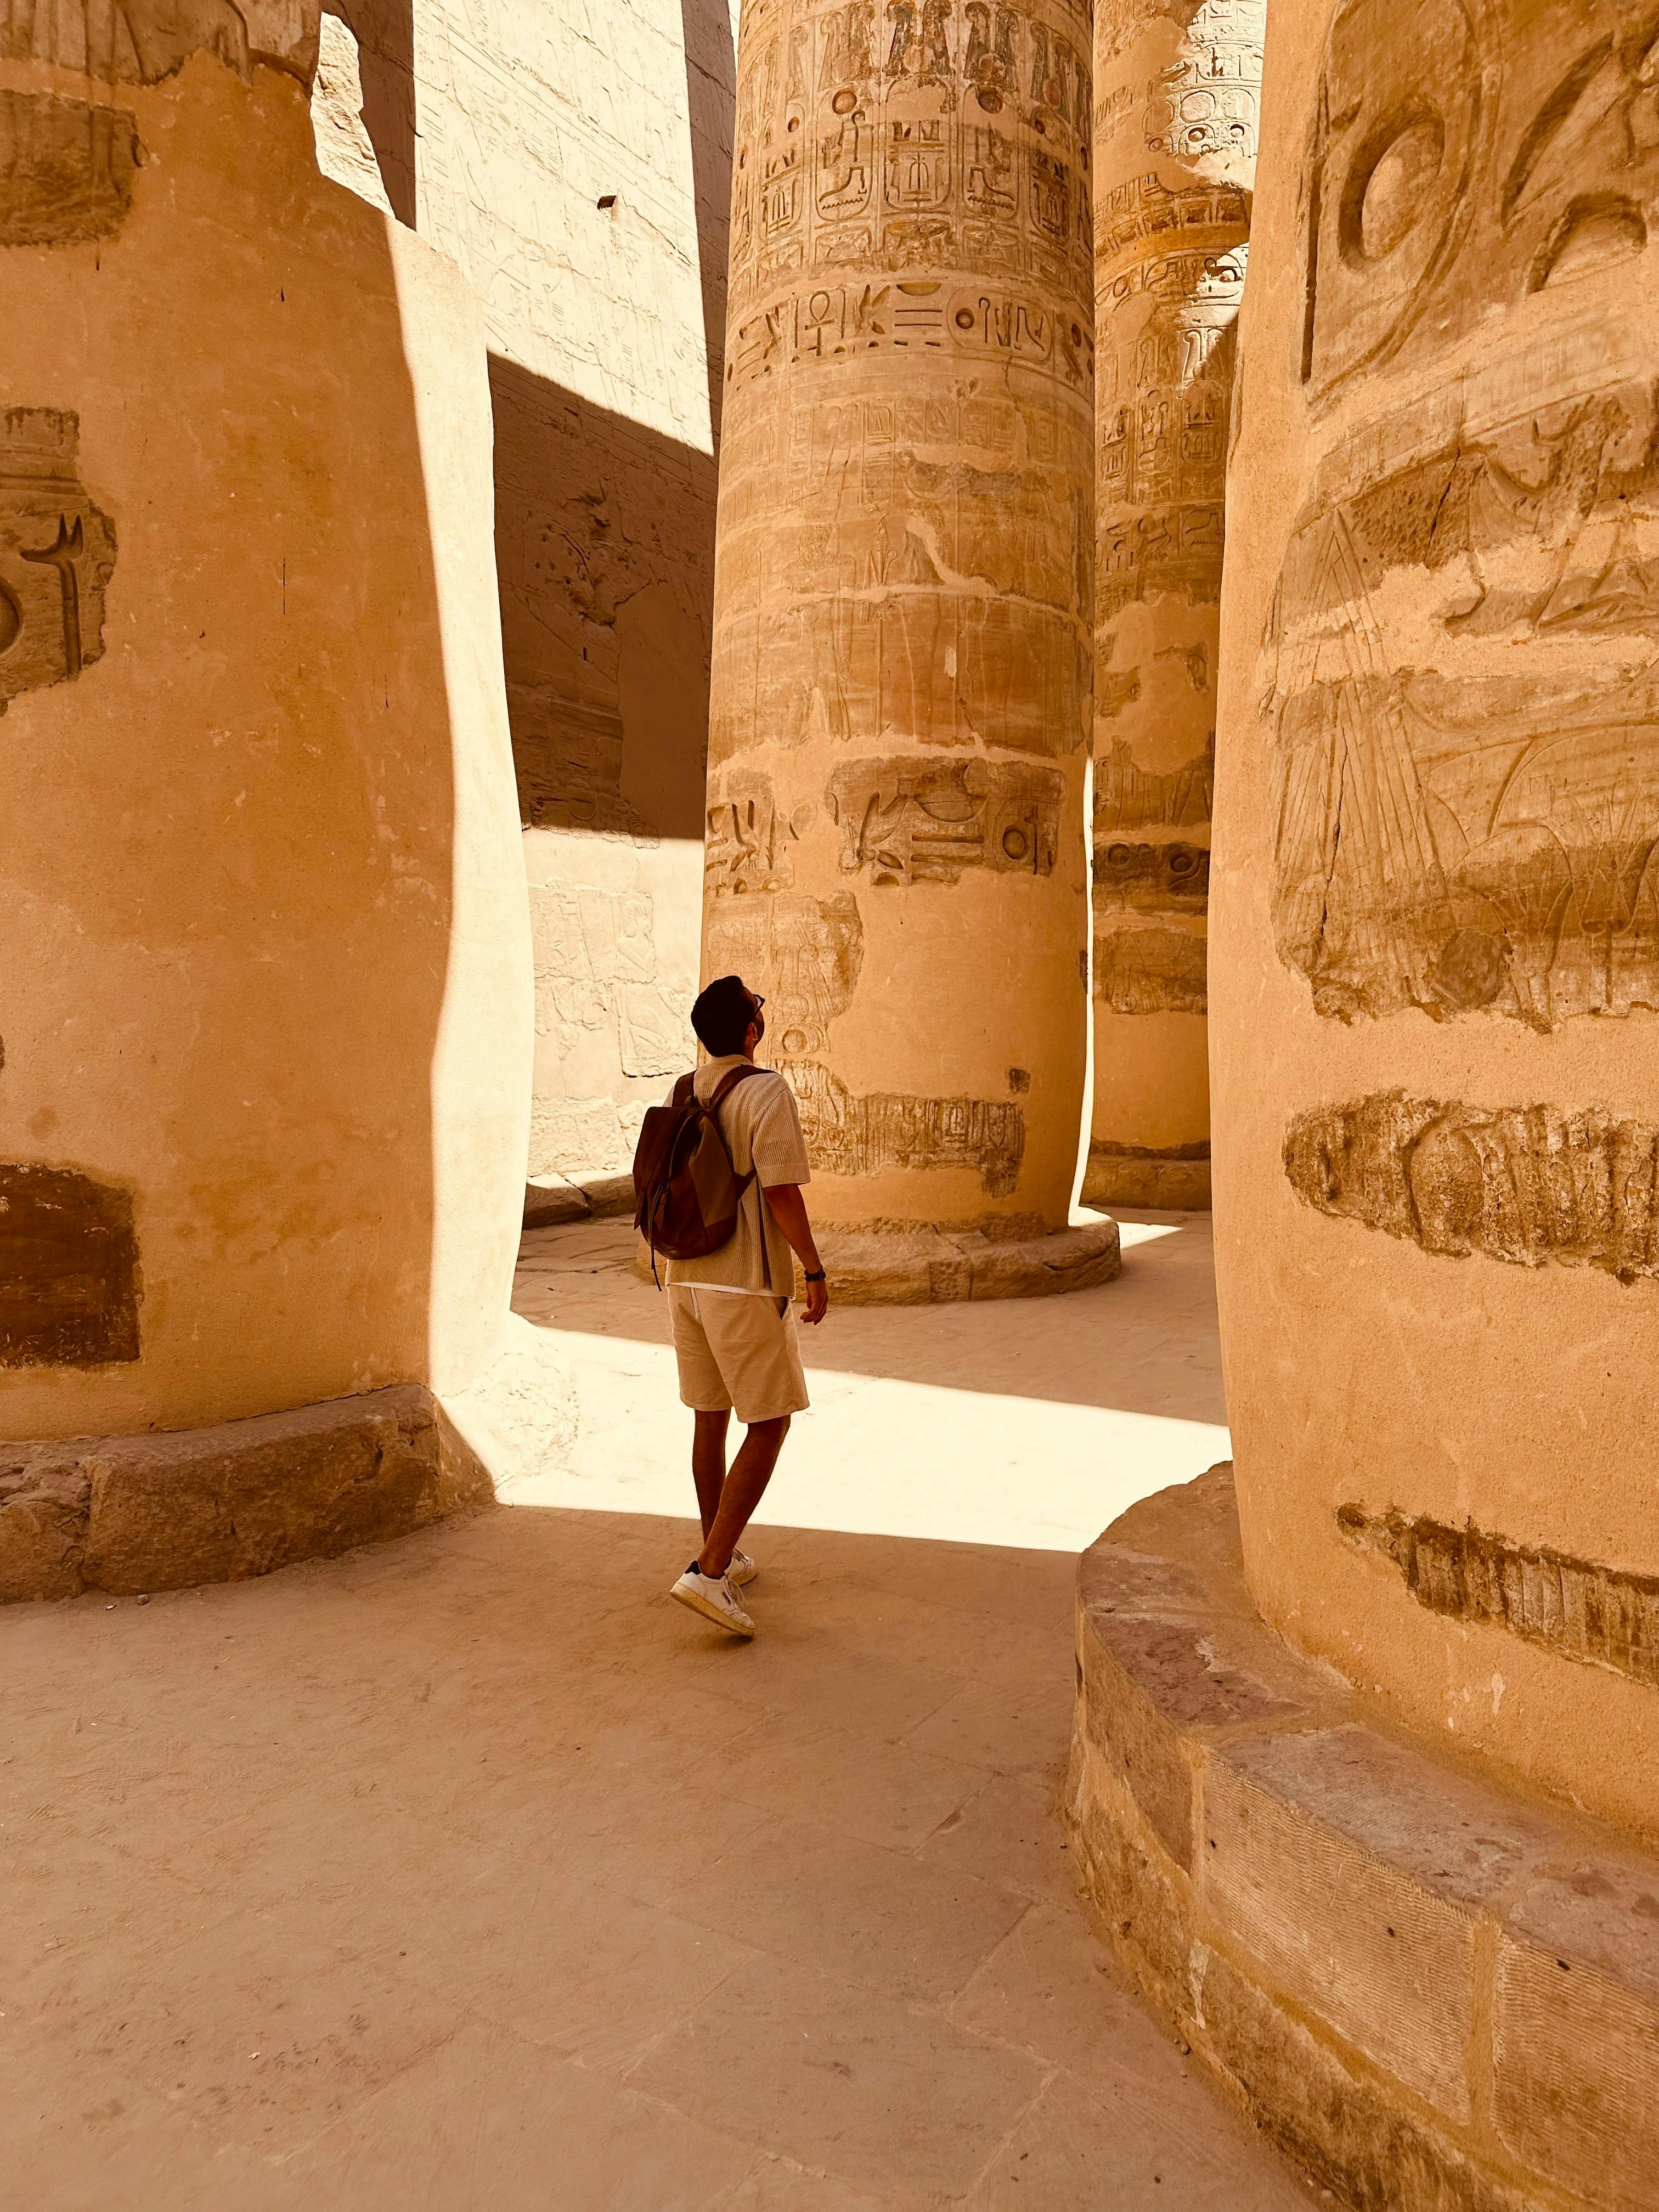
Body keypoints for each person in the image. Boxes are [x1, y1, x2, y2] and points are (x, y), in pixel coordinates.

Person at [664, 974, 827, 1639]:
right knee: (770, 1422)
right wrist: (813, 1269)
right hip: (744, 1282)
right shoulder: (766, 1091)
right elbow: (783, 1192)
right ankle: (707, 1573)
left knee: (711, 1417)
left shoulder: (682, 1088)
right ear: (751, 1032)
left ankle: (719, 1554)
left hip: (684, 1277)